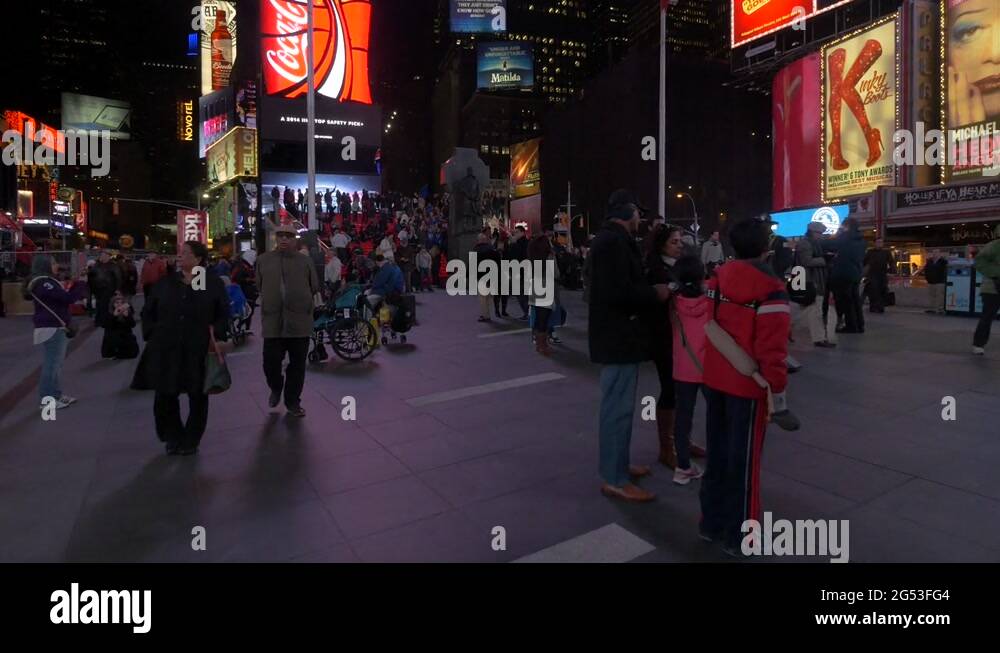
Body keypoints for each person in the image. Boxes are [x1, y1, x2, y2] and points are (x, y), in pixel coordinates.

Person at [700, 218, 791, 556]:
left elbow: (711, 325)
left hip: (715, 378)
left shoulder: (717, 280)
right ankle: (742, 537)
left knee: (718, 454)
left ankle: (711, 524)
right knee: (745, 462)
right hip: (748, 385)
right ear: (766, 247)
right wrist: (777, 391)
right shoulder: (772, 290)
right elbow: (773, 351)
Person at [589, 189, 672, 503]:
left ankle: (618, 466)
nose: (641, 218)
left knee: (621, 409)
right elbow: (619, 292)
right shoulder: (612, 243)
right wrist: (655, 293)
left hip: (620, 337)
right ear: (625, 212)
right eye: (638, 212)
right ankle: (614, 479)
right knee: (617, 411)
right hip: (617, 338)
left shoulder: (613, 241)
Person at [133, 241, 230, 455]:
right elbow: (149, 310)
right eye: (180, 252)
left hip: (197, 348)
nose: (180, 256)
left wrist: (218, 336)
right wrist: (152, 333)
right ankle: (172, 435)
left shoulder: (208, 282)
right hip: (166, 346)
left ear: (198, 259)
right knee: (166, 393)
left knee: (197, 394)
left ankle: (191, 438)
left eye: (185, 253)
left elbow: (222, 312)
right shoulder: (168, 282)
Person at [645, 224, 702, 469]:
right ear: (661, 245)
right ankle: (666, 447)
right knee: (670, 390)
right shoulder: (656, 271)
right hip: (664, 337)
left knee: (685, 392)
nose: (679, 245)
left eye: (680, 241)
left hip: (685, 337)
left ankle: (682, 440)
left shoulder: (684, 266)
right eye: (674, 242)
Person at [256, 223, 320, 417]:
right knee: (270, 363)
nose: (284, 239)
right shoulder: (263, 260)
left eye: (289, 236)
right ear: (276, 238)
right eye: (281, 236)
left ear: (295, 240)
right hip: (273, 322)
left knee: (298, 365)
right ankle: (276, 387)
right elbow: (260, 285)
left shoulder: (305, 261)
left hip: (299, 322)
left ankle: (293, 402)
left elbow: (314, 286)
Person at [25, 255, 86, 409]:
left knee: (55, 364)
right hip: (51, 327)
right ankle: (47, 401)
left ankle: (55, 395)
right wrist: (80, 284)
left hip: (53, 326)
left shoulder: (44, 282)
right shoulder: (44, 283)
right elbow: (66, 298)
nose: (56, 265)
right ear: (44, 265)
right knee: (52, 365)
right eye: (53, 263)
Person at [670, 255, 710, 485]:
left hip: (683, 367)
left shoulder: (673, 303)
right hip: (709, 367)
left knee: (683, 418)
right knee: (716, 416)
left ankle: (682, 466)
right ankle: (719, 462)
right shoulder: (711, 301)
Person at [795, 222, 835, 347]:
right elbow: (806, 261)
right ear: (812, 232)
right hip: (810, 281)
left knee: (812, 310)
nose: (821, 236)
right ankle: (819, 338)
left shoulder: (814, 244)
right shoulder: (806, 244)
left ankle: (819, 338)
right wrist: (825, 259)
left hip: (815, 280)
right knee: (812, 310)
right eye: (819, 233)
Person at [824, 218, 867, 334]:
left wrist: (837, 234)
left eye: (843, 226)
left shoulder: (844, 237)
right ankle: (860, 325)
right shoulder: (861, 240)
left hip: (843, 273)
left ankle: (851, 326)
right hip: (856, 273)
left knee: (846, 301)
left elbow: (830, 245)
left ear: (847, 226)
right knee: (855, 300)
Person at [973, 226, 1000, 355]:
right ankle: (978, 344)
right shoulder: (993, 246)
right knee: (988, 317)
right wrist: (995, 273)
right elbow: (979, 261)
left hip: (992, 287)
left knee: (987, 316)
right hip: (992, 288)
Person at [528, 235, 554, 355]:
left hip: (535, 286)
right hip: (546, 287)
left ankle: (539, 344)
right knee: (544, 318)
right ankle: (543, 345)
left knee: (539, 317)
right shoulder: (549, 258)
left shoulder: (533, 258)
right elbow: (556, 273)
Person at [101, 291, 139, 359]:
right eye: (117, 303)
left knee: (133, 353)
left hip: (125, 336)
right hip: (113, 336)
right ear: (113, 304)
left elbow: (133, 325)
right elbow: (105, 325)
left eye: (121, 303)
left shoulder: (126, 311)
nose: (119, 304)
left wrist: (127, 317)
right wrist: (113, 316)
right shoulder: (109, 312)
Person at [473, 233, 500, 323]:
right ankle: (488, 314)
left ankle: (485, 315)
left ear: (479, 240)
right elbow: (498, 262)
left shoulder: (476, 249)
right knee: (489, 297)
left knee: (482, 297)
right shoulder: (492, 249)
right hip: (492, 275)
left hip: (481, 276)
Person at [90, 250, 121, 328]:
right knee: (98, 304)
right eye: (101, 255)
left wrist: (117, 289)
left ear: (108, 256)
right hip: (97, 289)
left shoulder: (113, 265)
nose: (102, 257)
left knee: (104, 305)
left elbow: (118, 278)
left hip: (108, 288)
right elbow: (91, 275)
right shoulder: (97, 265)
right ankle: (99, 320)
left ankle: (103, 321)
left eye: (104, 255)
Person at [508, 226, 530, 320]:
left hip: (521, 272)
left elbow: (516, 256)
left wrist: (513, 244)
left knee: (521, 294)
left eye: (516, 232)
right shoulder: (523, 243)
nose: (514, 234)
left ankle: (527, 312)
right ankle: (527, 312)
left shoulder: (521, 244)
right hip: (521, 271)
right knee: (523, 293)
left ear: (522, 232)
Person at [864, 239, 892, 313]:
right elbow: (864, 261)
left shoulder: (886, 252)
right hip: (872, 274)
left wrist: (891, 271)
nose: (879, 244)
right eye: (878, 242)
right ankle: (873, 306)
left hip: (882, 274)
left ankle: (880, 306)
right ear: (875, 243)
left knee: (882, 290)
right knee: (873, 291)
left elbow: (891, 262)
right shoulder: (870, 252)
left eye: (881, 242)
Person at [922, 251, 949, 315]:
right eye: (934, 253)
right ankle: (932, 308)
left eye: (936, 253)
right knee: (931, 296)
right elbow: (926, 270)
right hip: (930, 282)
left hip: (940, 282)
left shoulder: (943, 261)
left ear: (939, 254)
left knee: (940, 296)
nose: (935, 254)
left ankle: (940, 309)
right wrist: (927, 278)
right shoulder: (929, 261)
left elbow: (946, 268)